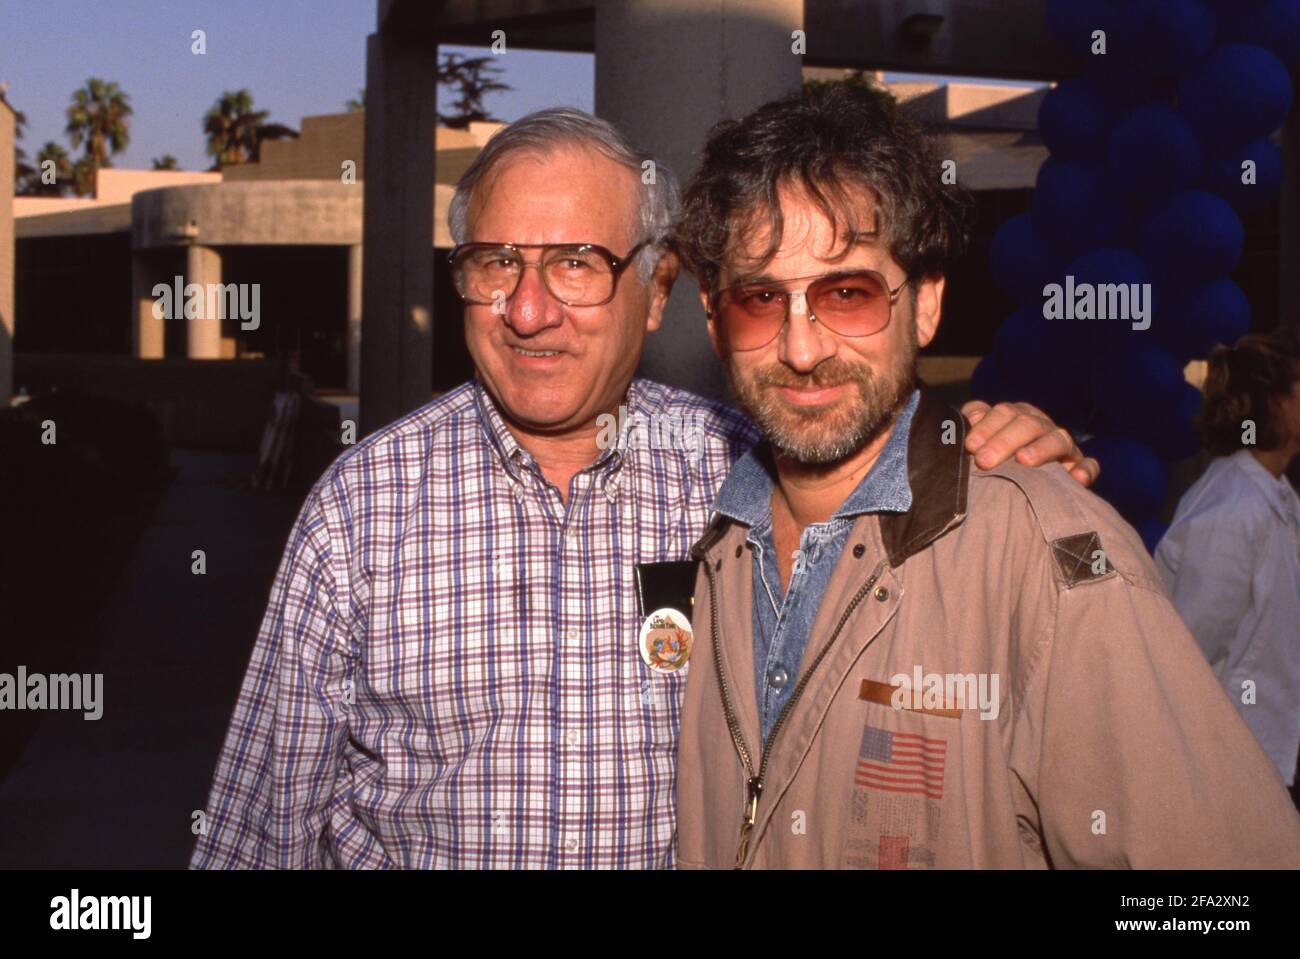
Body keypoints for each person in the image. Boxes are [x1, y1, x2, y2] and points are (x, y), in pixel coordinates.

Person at [190, 107, 1095, 869]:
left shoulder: (746, 472)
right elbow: (255, 835)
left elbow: (876, 448)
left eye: (576, 262)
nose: (529, 309)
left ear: (658, 291)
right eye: (495, 263)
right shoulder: (362, 506)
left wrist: (991, 447)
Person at [671, 83, 1300, 869]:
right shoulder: (702, 546)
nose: (802, 348)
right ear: (714, 319)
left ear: (926, 305)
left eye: (848, 293)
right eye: (761, 299)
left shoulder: (1050, 555)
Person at [1155, 329, 1300, 790]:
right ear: (1272, 403)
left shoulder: (1276, 499)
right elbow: (1189, 656)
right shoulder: (1234, 511)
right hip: (1233, 771)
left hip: (1266, 759)